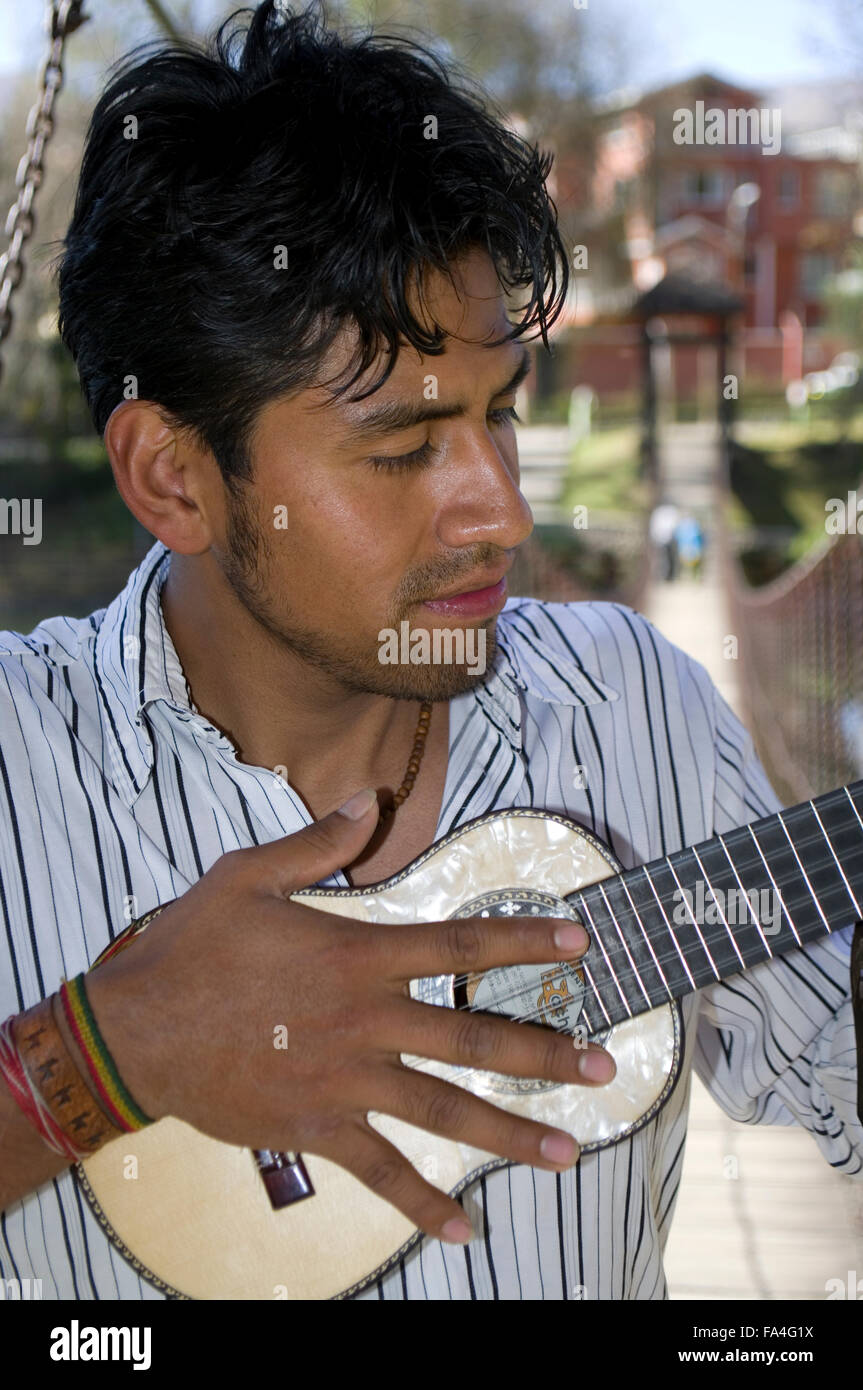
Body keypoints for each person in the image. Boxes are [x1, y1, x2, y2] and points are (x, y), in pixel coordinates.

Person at [0, 0, 860, 1302]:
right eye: (404, 447)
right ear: (173, 477)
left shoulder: (631, 712)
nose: (503, 511)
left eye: (501, 414)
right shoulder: (15, 768)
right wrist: (99, 1057)